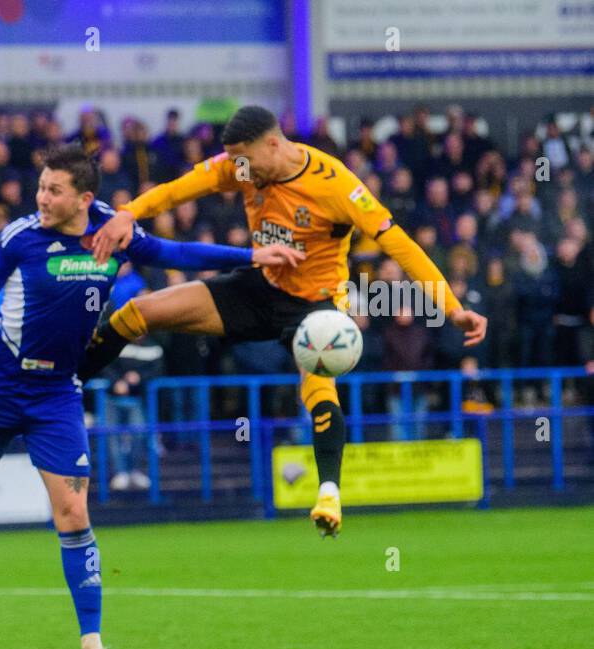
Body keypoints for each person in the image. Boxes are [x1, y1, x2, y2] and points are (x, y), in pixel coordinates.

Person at [0, 145, 303, 649]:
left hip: (57, 391)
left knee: (74, 512)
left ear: (84, 198)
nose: (41, 198)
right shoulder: (19, 237)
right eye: (40, 187)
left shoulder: (113, 232)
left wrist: (250, 258)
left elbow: (178, 250)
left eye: (53, 190)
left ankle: (92, 647)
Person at [85, 105, 488, 536]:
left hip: (313, 306)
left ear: (273, 144)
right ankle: (66, 380)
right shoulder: (241, 167)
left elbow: (402, 246)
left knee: (317, 388)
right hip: (260, 287)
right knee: (139, 312)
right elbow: (177, 190)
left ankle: (330, 493)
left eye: (245, 159)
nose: (238, 169)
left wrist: (450, 307)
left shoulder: (336, 186)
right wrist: (128, 212)